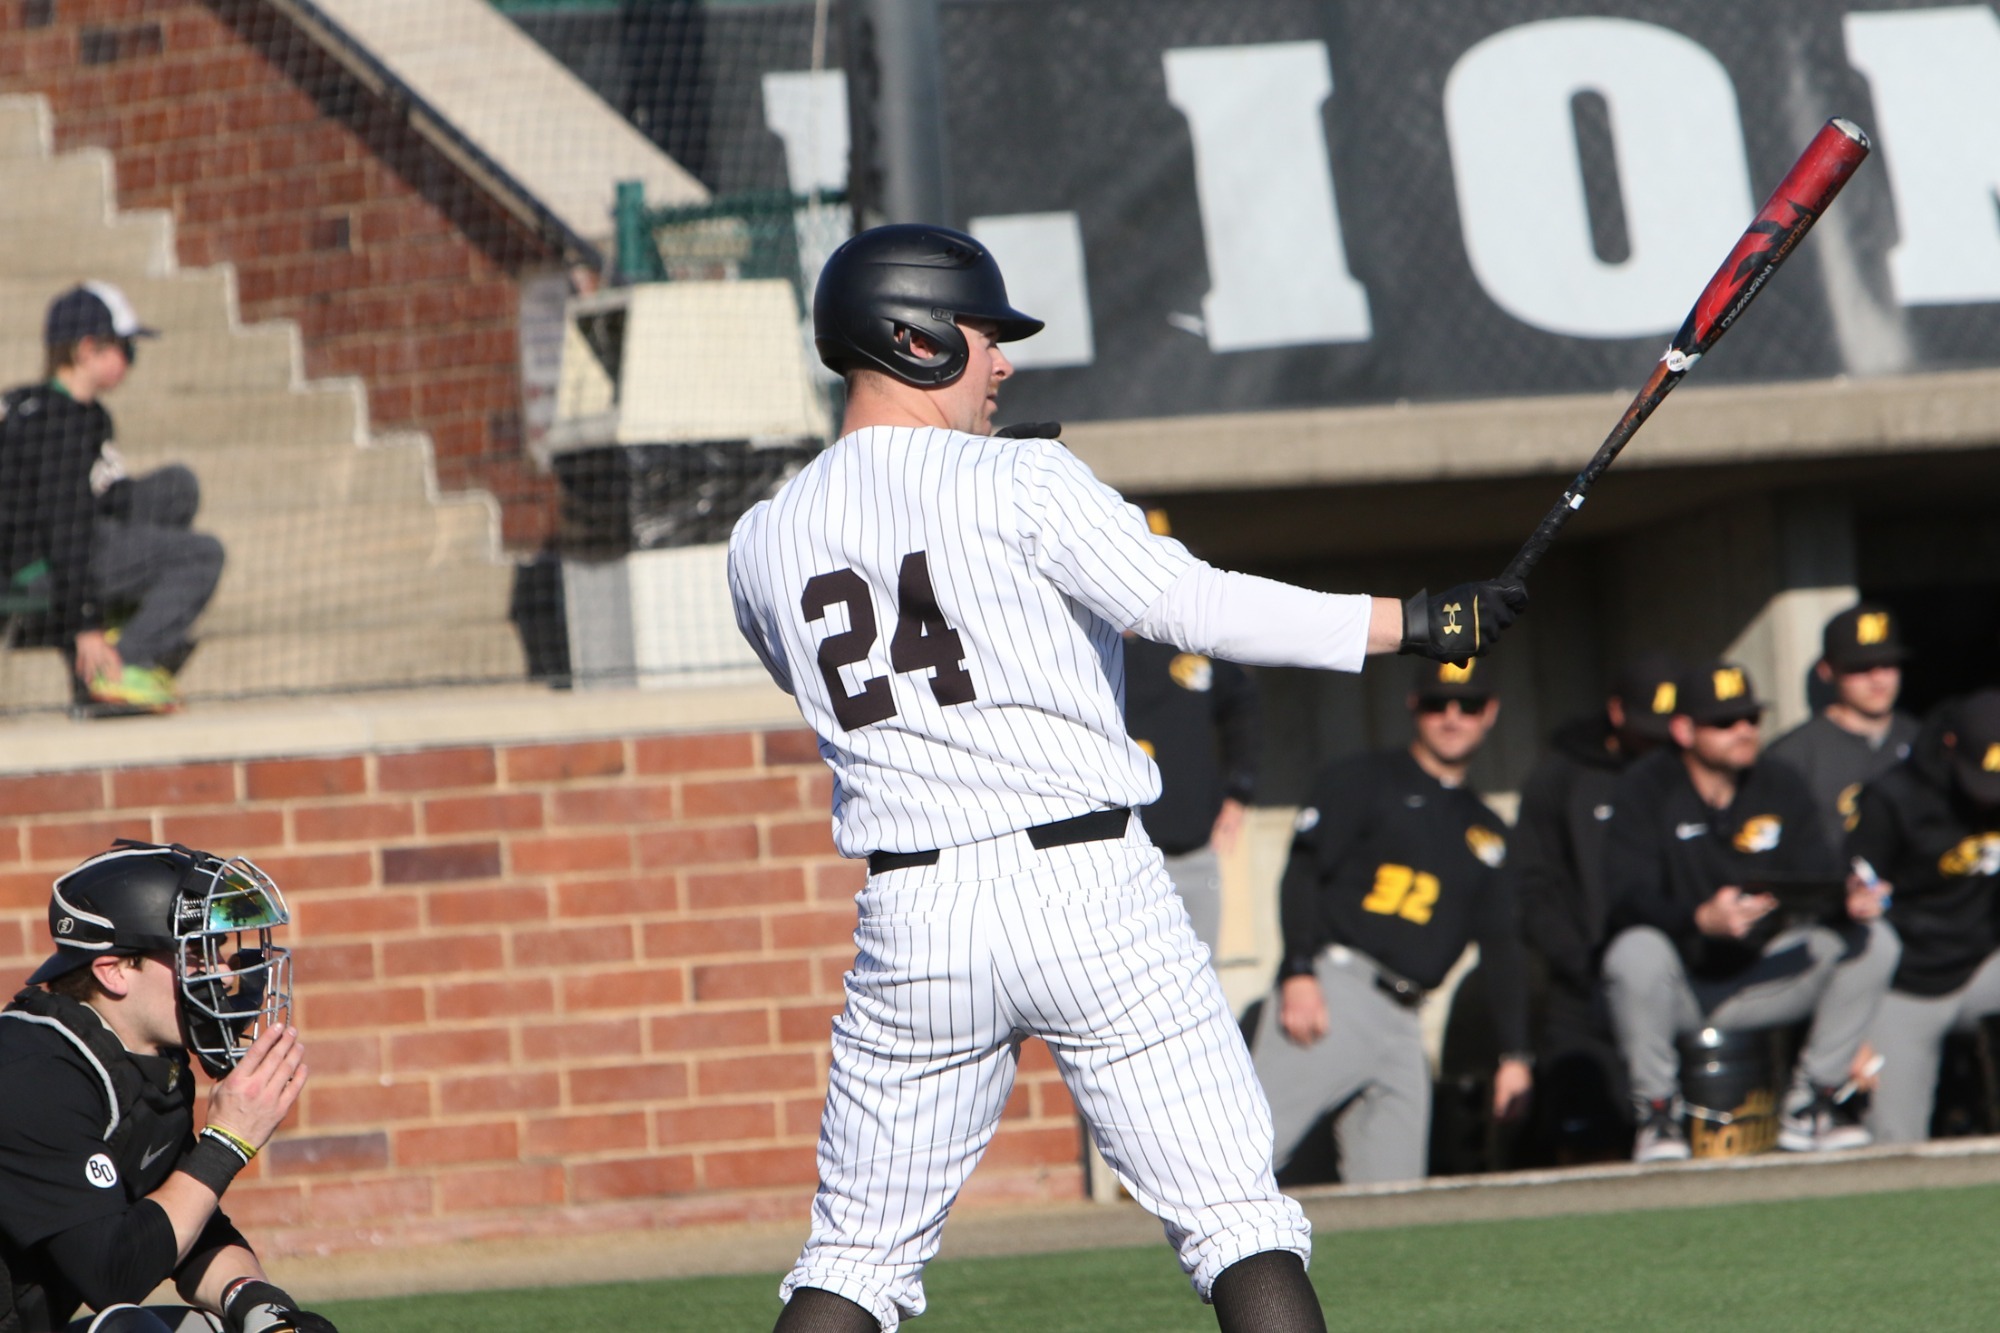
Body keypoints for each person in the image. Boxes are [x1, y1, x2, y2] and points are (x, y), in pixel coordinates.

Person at [726, 224, 1527, 1333]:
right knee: (1235, 1220)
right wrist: (1412, 622)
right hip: (1088, 885)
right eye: (978, 335)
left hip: (912, 911)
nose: (1000, 360)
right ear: (907, 339)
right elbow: (1188, 606)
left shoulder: (761, 538)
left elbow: (810, 675)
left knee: (855, 1255)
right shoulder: (1023, 478)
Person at [0, 841, 331, 1333]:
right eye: (195, 956)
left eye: (216, 951)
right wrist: (226, 1143)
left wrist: (266, 1312)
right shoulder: (31, 1072)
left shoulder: (145, 1062)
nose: (220, 973)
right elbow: (114, 1275)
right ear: (113, 971)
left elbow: (185, 1232)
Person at [1599, 663, 1899, 1163]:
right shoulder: (1645, 788)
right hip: (1681, 982)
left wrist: (1846, 899)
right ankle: (1657, 1114)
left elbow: (1816, 874)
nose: (1743, 732)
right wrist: (1699, 919)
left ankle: (1815, 1104)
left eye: (1750, 719)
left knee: (1874, 940)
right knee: (1634, 952)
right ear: (1683, 730)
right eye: (1724, 723)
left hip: (1763, 973)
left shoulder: (1778, 782)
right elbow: (1627, 896)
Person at [1248, 657, 1531, 1184]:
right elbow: (1303, 875)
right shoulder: (1359, 780)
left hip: (1407, 1019)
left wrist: (1514, 1053)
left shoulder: (1486, 830)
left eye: (1468, 705)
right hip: (1338, 992)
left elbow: (1502, 947)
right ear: (1412, 707)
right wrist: (1299, 971)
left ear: (1489, 713)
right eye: (1435, 704)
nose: (1452, 717)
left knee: (1395, 1196)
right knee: (1246, 1157)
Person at [0, 284, 224, 714]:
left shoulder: (89, 414)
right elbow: (64, 524)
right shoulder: (54, 423)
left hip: (74, 542)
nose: (131, 363)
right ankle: (122, 663)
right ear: (86, 350)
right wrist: (85, 621)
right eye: (125, 350)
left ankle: (120, 620)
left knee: (177, 488)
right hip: (37, 573)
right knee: (203, 556)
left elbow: (105, 501)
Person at [1511, 652, 1679, 1161]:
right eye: (1646, 730)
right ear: (1617, 712)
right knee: (1589, 1147)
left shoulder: (1679, 776)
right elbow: (1531, 885)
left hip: (1664, 988)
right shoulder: (1560, 778)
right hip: (1581, 994)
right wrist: (1578, 961)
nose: (1655, 744)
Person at [1848, 691, 2000, 1143]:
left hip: (1986, 967)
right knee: (1892, 1144)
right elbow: (1850, 920)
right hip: (1905, 983)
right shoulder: (1892, 798)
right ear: (1950, 745)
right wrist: (1850, 1032)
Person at [1122, 508, 1261, 959]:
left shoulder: (1198, 638)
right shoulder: (1081, 638)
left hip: (1190, 852)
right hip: (1113, 858)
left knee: (1200, 987)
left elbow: (1242, 707)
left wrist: (1239, 791)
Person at [1766, 604, 1919, 858]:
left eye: (1888, 664)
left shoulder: (1922, 740)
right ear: (1827, 671)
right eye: (1861, 667)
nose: (1878, 679)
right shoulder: (1793, 755)